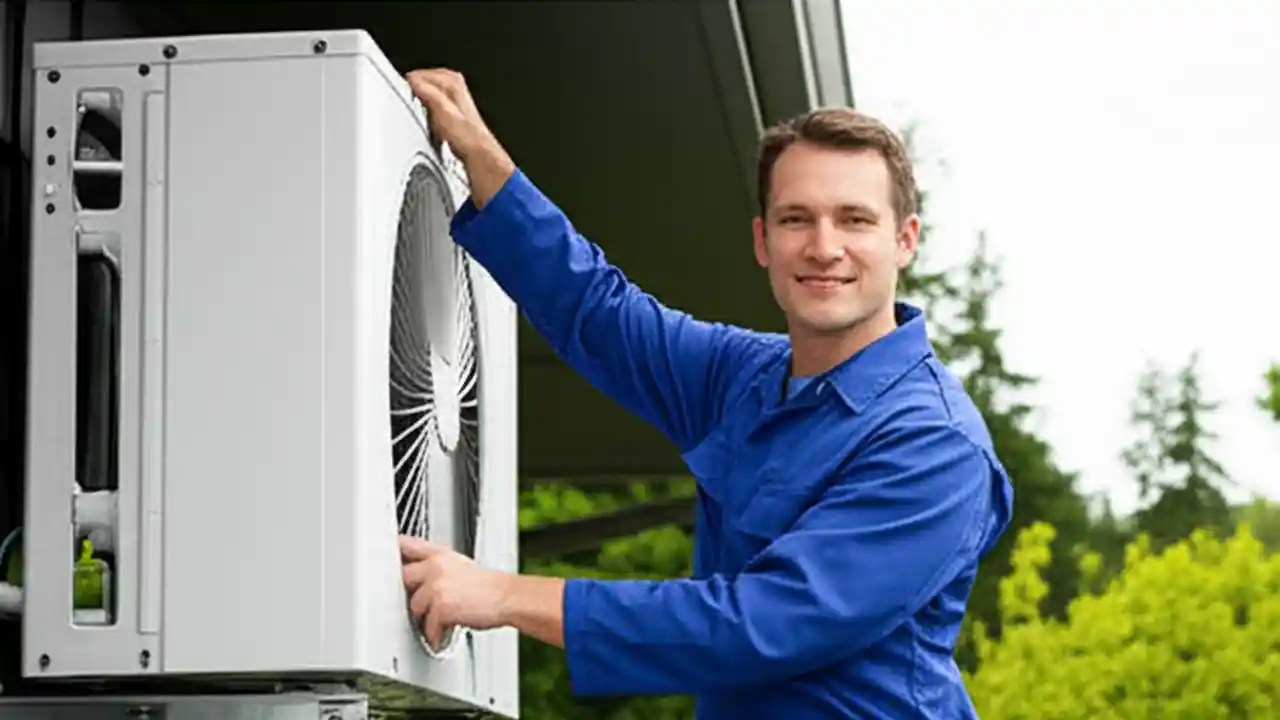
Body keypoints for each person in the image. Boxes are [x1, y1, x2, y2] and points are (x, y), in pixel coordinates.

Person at [399, 67, 1014, 719]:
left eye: (854, 219)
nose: (824, 246)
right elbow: (601, 313)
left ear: (904, 241)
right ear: (762, 241)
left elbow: (760, 624)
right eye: (796, 219)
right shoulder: (740, 377)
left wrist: (499, 596)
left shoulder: (934, 444)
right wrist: (485, 161)